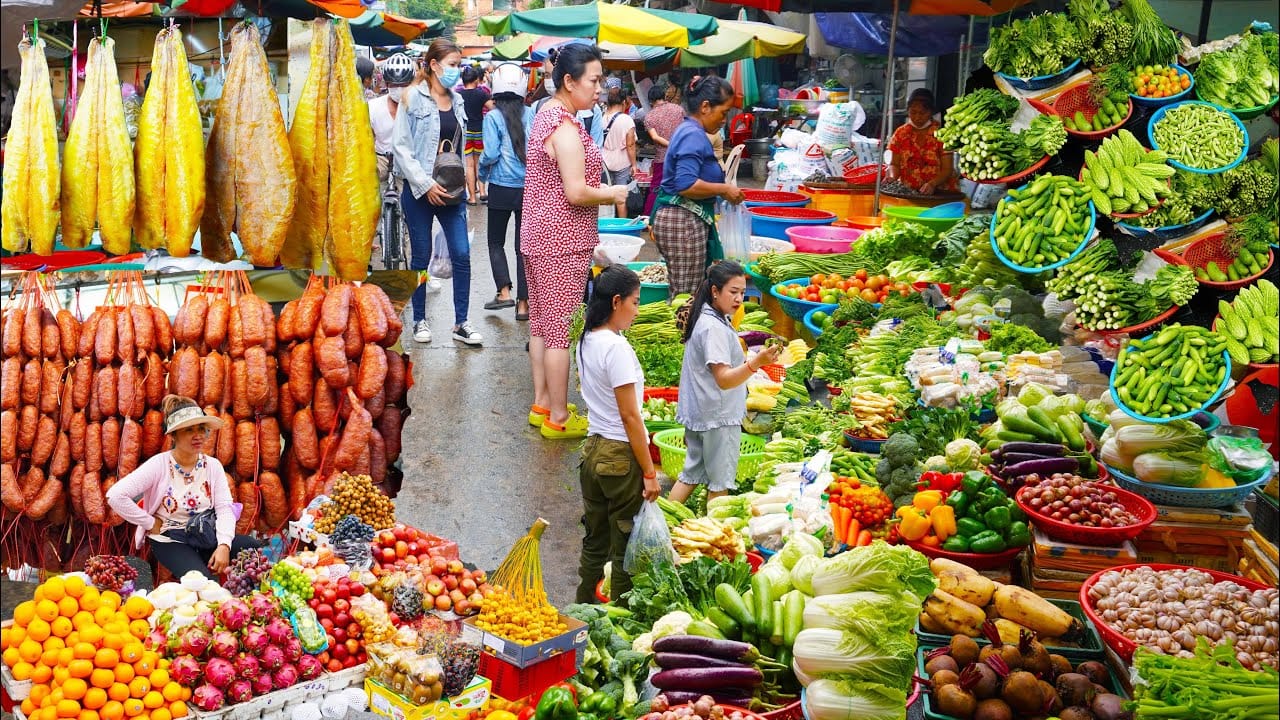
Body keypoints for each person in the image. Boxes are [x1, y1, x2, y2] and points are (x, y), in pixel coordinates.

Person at [522, 43, 628, 440]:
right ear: (569, 81)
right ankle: (559, 417)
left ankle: (541, 404)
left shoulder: (546, 115)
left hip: (538, 236)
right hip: (560, 240)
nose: (600, 88)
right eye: (594, 80)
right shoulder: (565, 128)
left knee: (541, 326)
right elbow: (576, 192)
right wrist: (613, 194)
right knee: (560, 333)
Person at [573, 264, 660, 603]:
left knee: (595, 540)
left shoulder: (587, 338)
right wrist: (650, 472)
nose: (636, 312)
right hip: (619, 456)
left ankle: (582, 608)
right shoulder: (616, 348)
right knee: (624, 546)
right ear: (617, 301)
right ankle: (618, 616)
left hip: (593, 452)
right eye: (635, 303)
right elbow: (630, 416)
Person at [106, 395, 263, 581]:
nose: (198, 436)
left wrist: (224, 546)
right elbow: (115, 495)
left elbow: (224, 509)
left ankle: (245, 605)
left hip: (205, 536)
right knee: (203, 583)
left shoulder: (212, 465)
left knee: (253, 551)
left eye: (201, 429)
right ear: (174, 435)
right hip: (170, 540)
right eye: (189, 430)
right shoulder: (159, 464)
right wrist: (148, 522)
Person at [392, 38, 484, 346]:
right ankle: (419, 320)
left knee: (462, 254)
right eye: (453, 65)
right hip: (420, 193)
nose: (457, 71)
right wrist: (424, 183)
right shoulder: (411, 99)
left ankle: (461, 323)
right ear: (434, 65)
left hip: (451, 193)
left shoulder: (457, 100)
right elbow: (401, 148)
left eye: (459, 65)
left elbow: (456, 150)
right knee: (421, 256)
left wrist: (463, 185)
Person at [667, 263, 782, 504]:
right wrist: (756, 363)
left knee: (691, 475)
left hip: (701, 414)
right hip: (717, 418)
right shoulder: (713, 327)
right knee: (719, 485)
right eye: (733, 292)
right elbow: (724, 379)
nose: (739, 298)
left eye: (742, 292)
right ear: (715, 291)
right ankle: (717, 537)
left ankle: (660, 525)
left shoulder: (707, 317)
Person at [652, 76, 746, 298]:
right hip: (683, 223)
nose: (725, 120)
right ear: (705, 107)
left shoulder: (690, 131)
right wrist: (724, 189)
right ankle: (684, 332)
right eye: (723, 112)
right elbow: (686, 184)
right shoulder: (693, 135)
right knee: (686, 296)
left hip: (682, 220)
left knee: (685, 291)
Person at [480, 62, 534, 320]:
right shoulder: (531, 113)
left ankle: (504, 292)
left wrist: (481, 174)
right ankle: (524, 305)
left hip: (501, 187)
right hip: (528, 188)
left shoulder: (492, 118)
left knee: (495, 241)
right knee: (522, 246)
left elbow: (490, 153)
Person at [886, 88, 957, 195]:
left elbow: (947, 169)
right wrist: (891, 177)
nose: (917, 117)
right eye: (913, 112)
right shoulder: (900, 133)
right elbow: (894, 164)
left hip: (941, 192)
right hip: (910, 192)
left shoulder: (942, 134)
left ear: (931, 112)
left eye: (922, 113)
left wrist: (932, 184)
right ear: (908, 110)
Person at [370, 53, 417, 193]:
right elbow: (366, 139)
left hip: (407, 161)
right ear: (387, 83)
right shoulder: (372, 107)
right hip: (381, 160)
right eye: (395, 85)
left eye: (404, 85)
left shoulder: (418, 107)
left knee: (409, 202)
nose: (399, 89)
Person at [643, 83, 685, 216]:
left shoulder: (650, 117)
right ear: (664, 96)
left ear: (650, 101)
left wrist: (669, 144)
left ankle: (648, 217)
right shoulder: (678, 109)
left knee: (656, 188)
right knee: (680, 186)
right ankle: (677, 215)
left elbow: (655, 137)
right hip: (681, 155)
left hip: (662, 158)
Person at [600, 86, 639, 219]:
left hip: (604, 162)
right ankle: (622, 225)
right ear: (623, 102)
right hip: (622, 162)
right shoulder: (626, 119)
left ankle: (607, 222)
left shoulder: (601, 117)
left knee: (606, 194)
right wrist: (634, 165)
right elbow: (631, 144)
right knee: (621, 197)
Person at [459, 65, 493, 206]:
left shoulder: (458, 95)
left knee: (469, 165)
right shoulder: (481, 94)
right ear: (475, 80)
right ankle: (483, 192)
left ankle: (472, 197)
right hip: (479, 131)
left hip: (465, 132)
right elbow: (492, 108)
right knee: (479, 163)